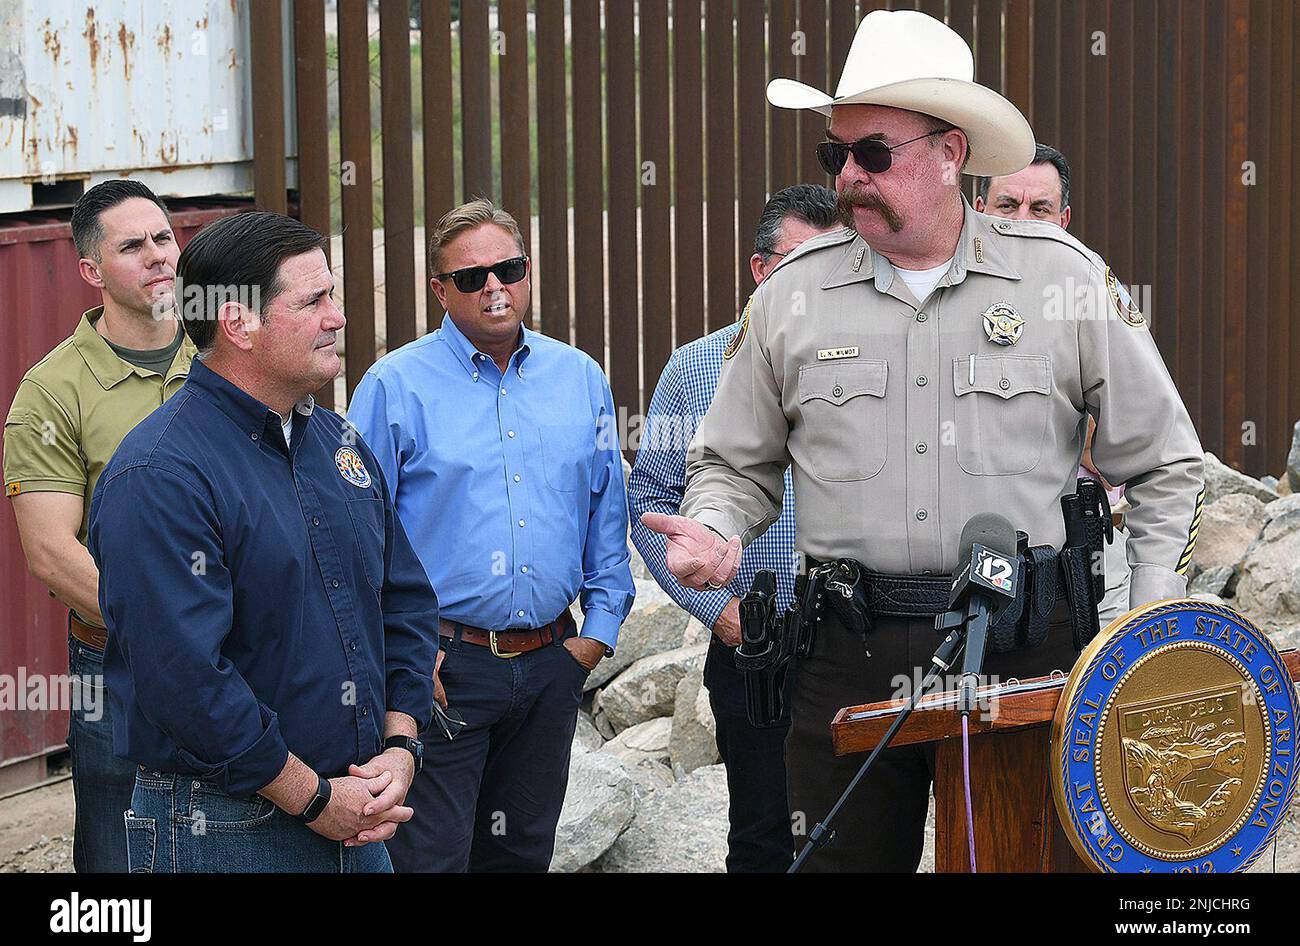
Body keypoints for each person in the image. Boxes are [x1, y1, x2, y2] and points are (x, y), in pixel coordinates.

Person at [643, 9, 1203, 871]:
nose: (849, 178)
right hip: (846, 654)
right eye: (838, 156)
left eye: (875, 154)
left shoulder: (1061, 279)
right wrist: (717, 531)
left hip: (1027, 650)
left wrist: (1143, 627)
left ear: (950, 154)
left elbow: (1164, 460)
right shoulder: (792, 296)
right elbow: (734, 465)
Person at [87, 211, 439, 873]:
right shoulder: (161, 475)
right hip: (224, 828)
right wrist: (309, 797)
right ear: (237, 324)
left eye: (333, 295)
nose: (338, 317)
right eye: (313, 301)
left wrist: (400, 744)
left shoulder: (337, 443)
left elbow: (405, 600)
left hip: (357, 814)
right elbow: (184, 679)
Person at [347, 199, 635, 873]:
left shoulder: (580, 378)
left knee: (521, 854)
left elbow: (605, 513)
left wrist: (594, 639)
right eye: (471, 277)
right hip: (444, 669)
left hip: (551, 665)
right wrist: (406, 664)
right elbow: (356, 534)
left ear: (528, 271)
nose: (494, 287)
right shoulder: (395, 386)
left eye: (508, 268)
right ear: (440, 291)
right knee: (431, 860)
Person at [629, 184, 840, 873]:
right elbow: (648, 501)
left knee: (857, 835)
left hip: (855, 637)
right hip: (753, 641)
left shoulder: (871, 367)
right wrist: (715, 610)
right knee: (760, 836)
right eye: (799, 266)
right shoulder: (693, 370)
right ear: (758, 271)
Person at [3, 179, 194, 872]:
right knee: (121, 854)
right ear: (91, 271)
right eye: (132, 246)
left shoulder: (226, 359)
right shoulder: (52, 390)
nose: (157, 257)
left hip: (244, 649)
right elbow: (52, 553)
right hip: (117, 665)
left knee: (239, 834)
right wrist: (172, 627)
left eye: (164, 238)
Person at [978, 145, 1131, 624]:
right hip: (972, 554)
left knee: (1091, 690)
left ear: (1063, 219)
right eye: (1008, 205)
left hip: (1082, 554)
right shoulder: (946, 293)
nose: (1023, 219)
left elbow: (1141, 438)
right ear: (979, 208)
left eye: (1039, 208)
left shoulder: (1091, 293)